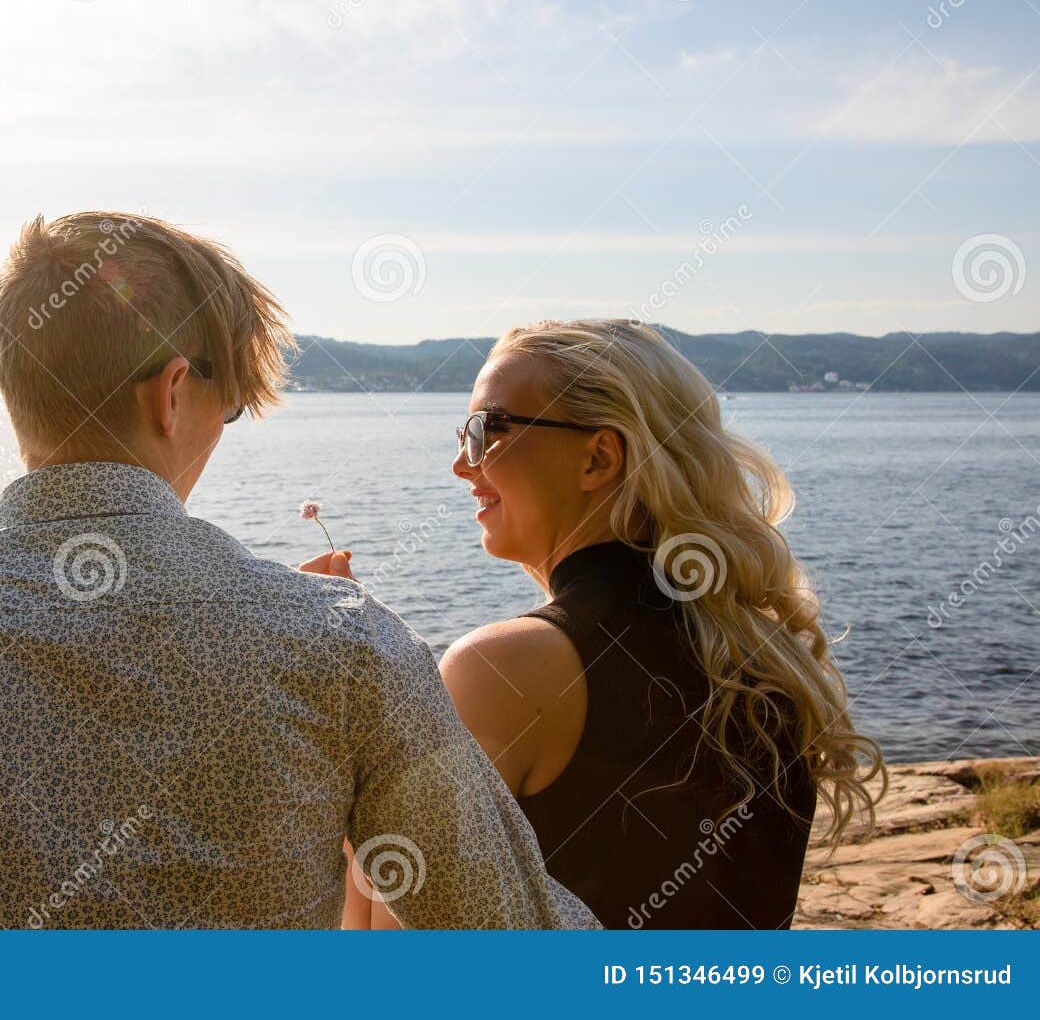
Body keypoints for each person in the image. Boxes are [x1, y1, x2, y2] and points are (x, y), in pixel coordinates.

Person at [0, 212, 596, 929]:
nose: (229, 420)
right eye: (236, 396)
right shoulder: (343, 648)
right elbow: (514, 939)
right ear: (173, 391)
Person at [342, 319, 881, 930]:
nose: (462, 465)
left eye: (487, 430)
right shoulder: (762, 651)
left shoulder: (506, 672)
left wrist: (350, 708)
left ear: (597, 457)